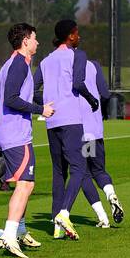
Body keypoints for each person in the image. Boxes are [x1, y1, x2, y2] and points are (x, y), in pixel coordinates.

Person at [0, 22, 53, 258]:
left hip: (9, 131)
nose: (37, 42)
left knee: (23, 183)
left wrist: (3, 115)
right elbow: (11, 98)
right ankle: (9, 234)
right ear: (25, 41)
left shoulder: (10, 64)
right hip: (16, 134)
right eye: (34, 38)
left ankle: (20, 231)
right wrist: (39, 109)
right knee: (26, 184)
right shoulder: (19, 66)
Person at [38, 19, 100, 240]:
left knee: (58, 171)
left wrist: (45, 103)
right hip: (71, 119)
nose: (79, 37)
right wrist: (93, 100)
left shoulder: (46, 61)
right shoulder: (78, 55)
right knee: (79, 167)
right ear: (70, 36)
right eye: (77, 33)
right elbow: (78, 84)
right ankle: (64, 214)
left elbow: (34, 87)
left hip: (51, 120)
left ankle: (56, 226)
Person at [77, 55, 125, 229]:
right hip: (94, 129)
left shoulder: (67, 65)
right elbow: (105, 94)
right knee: (99, 170)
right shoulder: (94, 64)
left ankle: (102, 216)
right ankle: (111, 194)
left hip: (78, 130)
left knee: (83, 173)